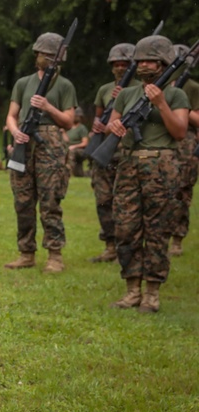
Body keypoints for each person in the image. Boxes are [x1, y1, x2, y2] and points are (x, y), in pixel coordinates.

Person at [107, 36, 189, 312]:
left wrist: (161, 103)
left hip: (161, 165)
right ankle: (132, 290)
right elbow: (111, 124)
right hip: (129, 165)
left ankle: (152, 293)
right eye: (140, 60)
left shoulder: (177, 94)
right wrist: (116, 127)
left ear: (163, 63)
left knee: (157, 230)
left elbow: (179, 132)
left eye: (150, 60)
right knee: (126, 227)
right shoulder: (129, 94)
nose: (144, 64)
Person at [3, 31, 78, 272]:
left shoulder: (65, 85)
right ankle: (26, 252)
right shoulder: (23, 83)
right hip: (24, 142)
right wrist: (15, 133)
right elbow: (11, 116)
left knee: (50, 199)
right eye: (43, 54)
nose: (46, 58)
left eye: (51, 55)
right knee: (23, 200)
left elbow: (68, 121)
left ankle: (55, 255)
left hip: (51, 143)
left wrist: (47, 106)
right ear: (36, 55)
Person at [87, 43, 136, 262]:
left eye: (125, 64)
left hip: (127, 151)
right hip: (105, 151)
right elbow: (100, 117)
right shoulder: (105, 90)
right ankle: (109, 246)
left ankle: (126, 248)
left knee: (125, 203)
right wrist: (97, 126)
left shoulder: (141, 89)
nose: (120, 67)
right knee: (103, 200)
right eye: (116, 63)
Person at [169, 44, 199, 256]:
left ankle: (177, 240)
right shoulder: (157, 85)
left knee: (181, 191)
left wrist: (180, 109)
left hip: (185, 143)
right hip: (162, 142)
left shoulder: (192, 87)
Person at [64, 108, 90, 177]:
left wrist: (74, 146)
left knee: (72, 152)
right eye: (76, 116)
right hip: (67, 148)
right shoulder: (68, 127)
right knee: (79, 174)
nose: (77, 117)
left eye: (79, 116)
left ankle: (68, 172)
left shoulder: (82, 128)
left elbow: (85, 143)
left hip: (80, 150)